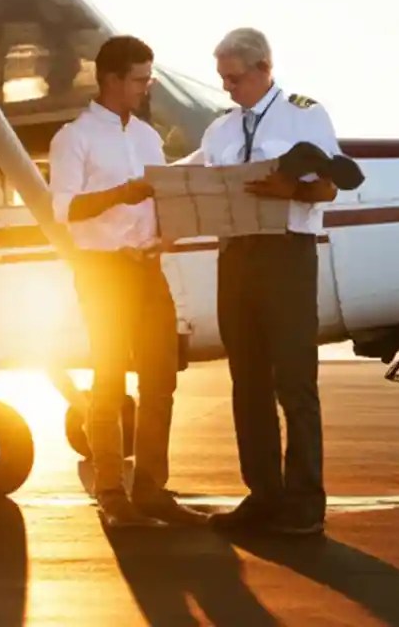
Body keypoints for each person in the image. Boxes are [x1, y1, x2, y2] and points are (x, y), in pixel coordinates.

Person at [184, 27, 343, 535]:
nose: (227, 88)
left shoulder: (306, 114)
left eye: (234, 78)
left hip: (287, 257)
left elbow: (330, 185)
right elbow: (198, 182)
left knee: (294, 382)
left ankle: (305, 503)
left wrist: (289, 189)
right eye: (222, 79)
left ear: (263, 70)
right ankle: (262, 495)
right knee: (246, 383)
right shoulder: (220, 132)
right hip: (235, 259)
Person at [48, 35, 207, 528]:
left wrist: (168, 233)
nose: (146, 87)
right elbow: (65, 211)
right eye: (140, 79)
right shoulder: (72, 138)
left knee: (161, 380)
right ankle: (112, 493)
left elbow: (157, 200)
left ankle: (152, 491)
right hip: (103, 272)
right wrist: (124, 192)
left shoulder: (147, 137)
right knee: (110, 379)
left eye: (149, 78)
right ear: (112, 79)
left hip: (148, 268)